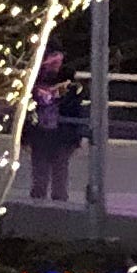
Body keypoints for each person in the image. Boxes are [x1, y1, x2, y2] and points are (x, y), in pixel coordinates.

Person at [24, 49, 84, 204]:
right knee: (41, 176)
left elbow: (75, 110)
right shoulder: (35, 83)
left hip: (59, 134)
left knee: (58, 174)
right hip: (42, 133)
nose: (54, 65)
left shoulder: (70, 86)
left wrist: (74, 138)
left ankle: (56, 206)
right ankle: (40, 205)